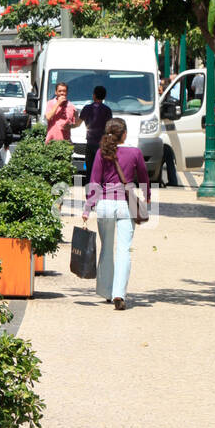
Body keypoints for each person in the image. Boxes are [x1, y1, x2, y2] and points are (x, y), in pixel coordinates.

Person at [83, 117, 150, 311]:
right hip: (125, 205)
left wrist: (88, 207)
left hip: (104, 204)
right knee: (124, 250)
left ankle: (106, 291)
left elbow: (94, 181)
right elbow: (145, 178)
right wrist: (148, 196)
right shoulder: (135, 153)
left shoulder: (101, 153)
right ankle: (119, 293)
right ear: (125, 134)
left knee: (106, 248)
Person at [79, 85, 113, 182]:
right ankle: (100, 190)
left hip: (90, 143)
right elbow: (109, 127)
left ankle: (89, 192)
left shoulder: (87, 108)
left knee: (89, 168)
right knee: (101, 168)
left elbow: (78, 123)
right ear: (104, 97)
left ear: (93, 95)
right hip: (102, 144)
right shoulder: (107, 110)